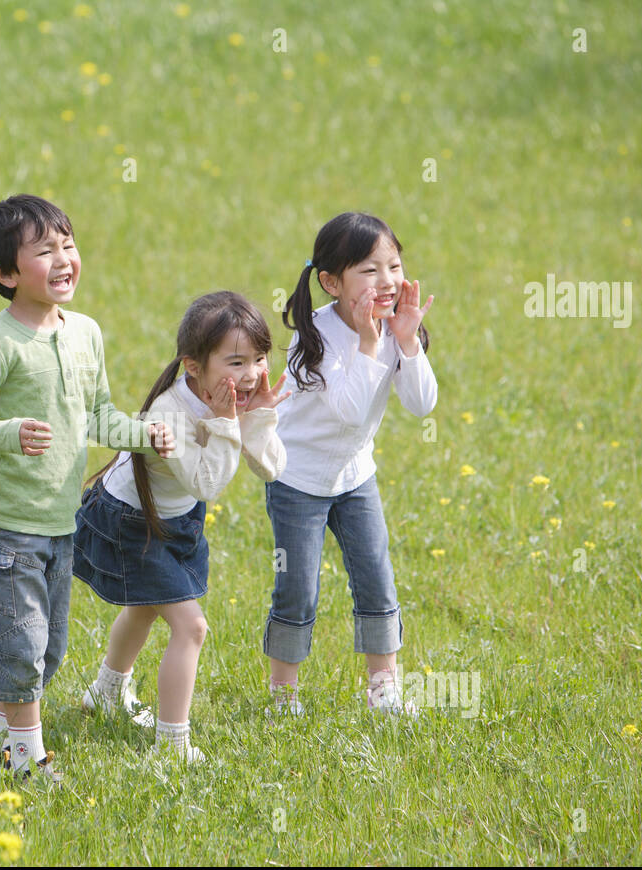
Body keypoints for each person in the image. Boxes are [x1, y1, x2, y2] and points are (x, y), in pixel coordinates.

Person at [0, 194, 175, 781]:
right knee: (20, 644)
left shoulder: (86, 332)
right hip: (7, 523)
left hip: (60, 519)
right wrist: (10, 432)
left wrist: (144, 434)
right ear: (6, 273)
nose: (64, 258)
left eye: (68, 244)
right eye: (45, 250)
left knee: (47, 649)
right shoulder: (0, 343)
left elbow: (96, 416)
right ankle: (28, 758)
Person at [75, 291, 288, 762]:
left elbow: (271, 468)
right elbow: (207, 482)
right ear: (193, 366)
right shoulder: (168, 414)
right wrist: (229, 422)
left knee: (145, 610)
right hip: (130, 519)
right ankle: (172, 744)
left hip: (175, 517)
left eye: (258, 357)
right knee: (192, 627)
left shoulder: (231, 399)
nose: (251, 372)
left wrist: (258, 419)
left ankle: (105, 693)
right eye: (236, 361)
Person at [263, 212, 436, 717]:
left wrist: (404, 340)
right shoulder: (314, 336)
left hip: (355, 477)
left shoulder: (395, 330)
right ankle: (283, 696)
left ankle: (384, 690)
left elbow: (422, 404)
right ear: (331, 282)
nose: (386, 281)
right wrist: (367, 341)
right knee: (298, 586)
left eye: (394, 266)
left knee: (376, 575)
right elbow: (349, 408)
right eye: (369, 270)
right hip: (297, 480)